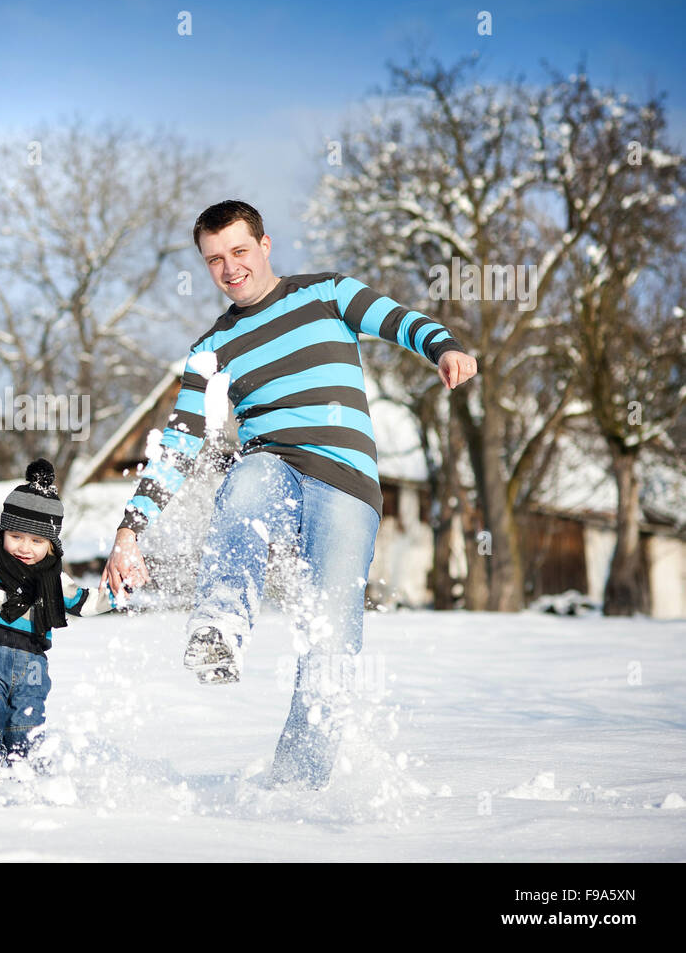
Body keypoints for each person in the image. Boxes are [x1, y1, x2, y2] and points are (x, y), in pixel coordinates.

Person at [101, 200, 477, 790]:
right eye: (214, 260)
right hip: (272, 469)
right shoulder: (212, 346)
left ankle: (297, 787)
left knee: (332, 631)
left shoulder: (327, 293)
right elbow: (180, 442)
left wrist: (443, 347)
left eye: (239, 251)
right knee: (247, 476)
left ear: (265, 244)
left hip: (344, 483)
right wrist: (131, 528)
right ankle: (221, 624)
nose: (230, 268)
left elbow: (398, 320)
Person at [0, 459, 117, 789]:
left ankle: (29, 786)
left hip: (32, 663)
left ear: (51, 545)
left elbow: (85, 603)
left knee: (26, 727)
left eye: (36, 541)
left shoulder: (52, 578)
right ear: (3, 531)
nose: (24, 548)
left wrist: (118, 590)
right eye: (16, 536)